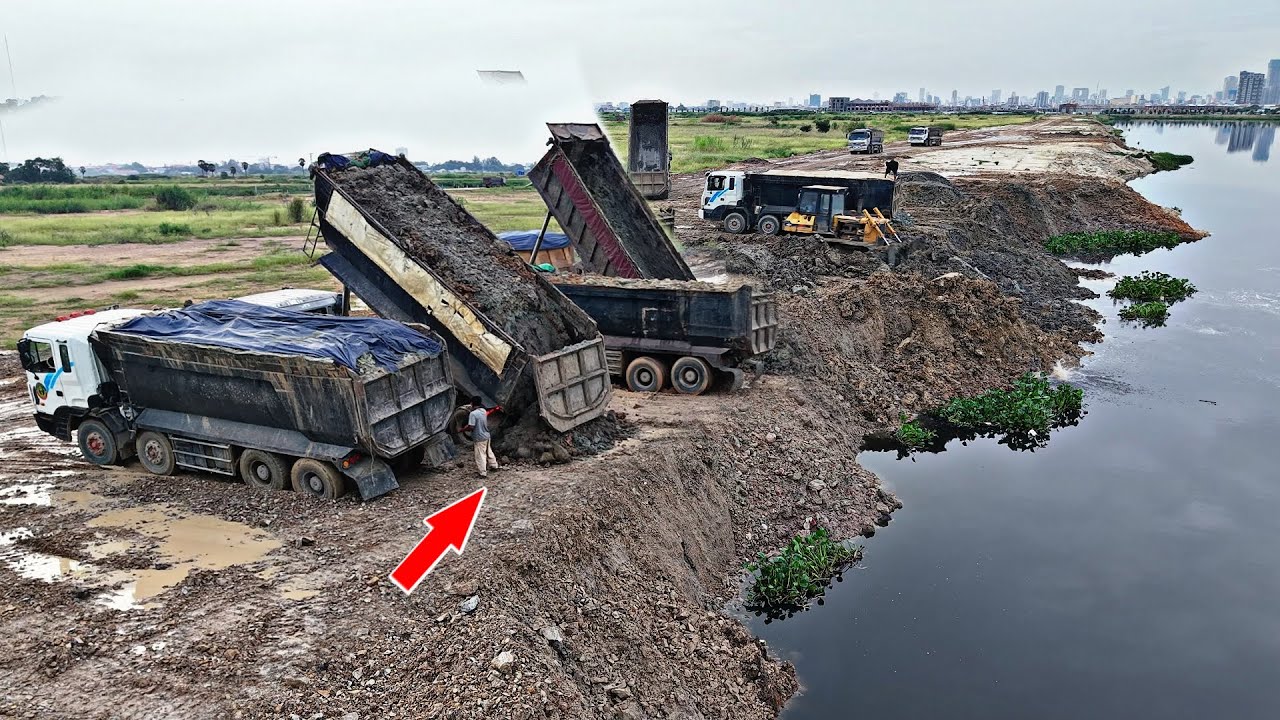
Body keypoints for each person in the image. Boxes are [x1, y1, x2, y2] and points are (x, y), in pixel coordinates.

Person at [464, 396, 501, 478]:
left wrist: (463, 429)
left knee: (480, 455)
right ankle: (494, 466)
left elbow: (471, 427)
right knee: (489, 451)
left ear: (472, 403)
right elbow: (488, 413)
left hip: (479, 437)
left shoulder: (472, 414)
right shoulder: (483, 411)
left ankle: (482, 473)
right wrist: (495, 409)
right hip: (487, 435)